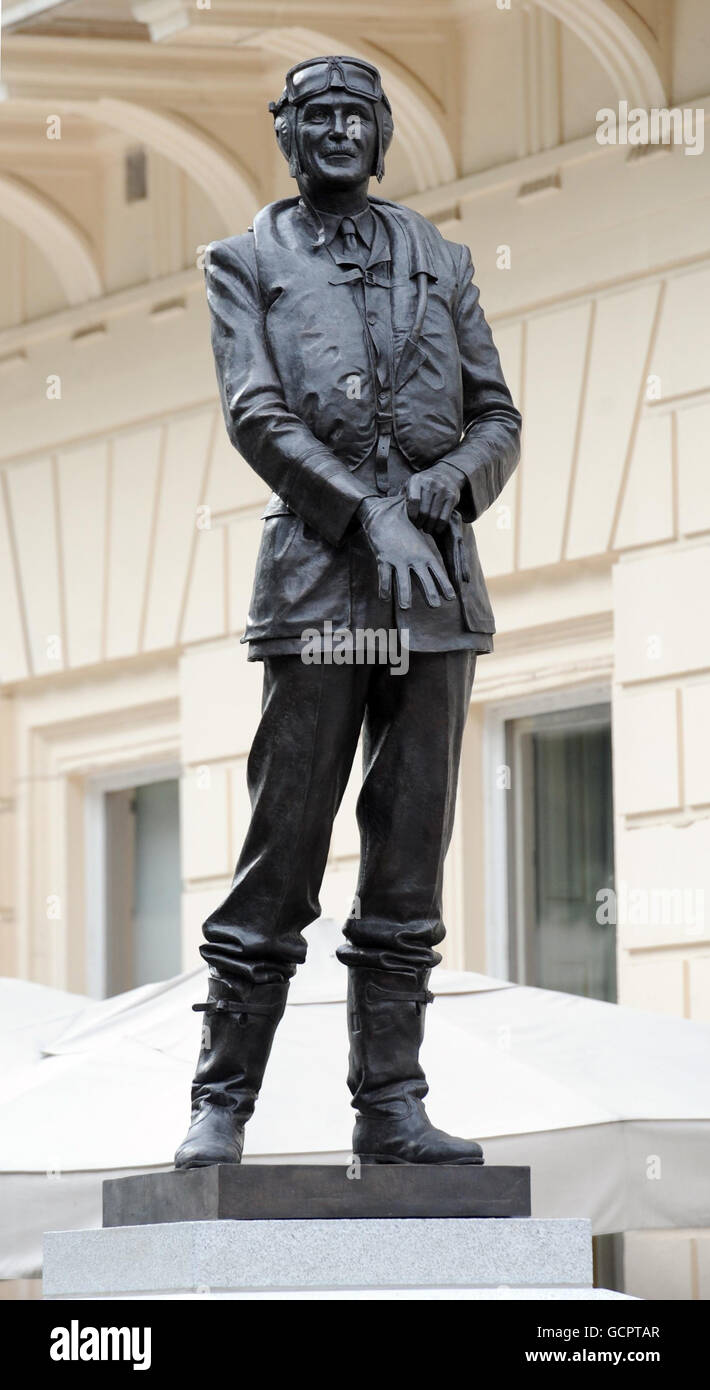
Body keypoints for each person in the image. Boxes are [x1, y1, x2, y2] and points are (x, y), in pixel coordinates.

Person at [175, 55, 521, 1169]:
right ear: (286, 133)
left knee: (408, 855)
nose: (336, 132)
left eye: (354, 116)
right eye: (315, 115)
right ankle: (221, 1103)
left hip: (434, 599)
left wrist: (442, 489)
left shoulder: (442, 258)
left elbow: (495, 416)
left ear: (378, 135)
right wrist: (363, 512)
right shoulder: (246, 261)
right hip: (322, 591)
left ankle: (391, 1102)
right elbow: (255, 412)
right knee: (282, 851)